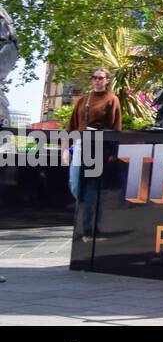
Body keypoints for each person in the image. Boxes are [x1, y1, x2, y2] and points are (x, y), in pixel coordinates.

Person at [67, 67, 122, 242]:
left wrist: (113, 151)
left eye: (101, 78)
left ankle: (88, 230)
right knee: (75, 185)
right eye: (95, 77)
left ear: (107, 80)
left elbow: (116, 127)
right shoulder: (84, 100)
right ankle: (87, 220)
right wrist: (65, 149)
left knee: (91, 188)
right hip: (81, 144)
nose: (97, 80)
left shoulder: (112, 99)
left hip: (98, 146)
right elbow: (72, 125)